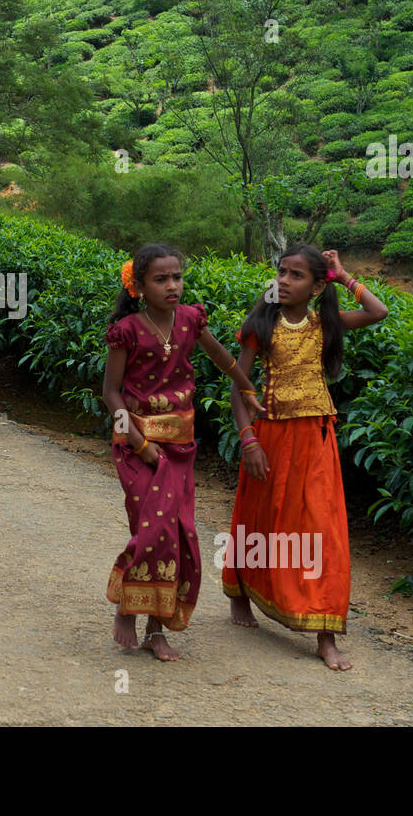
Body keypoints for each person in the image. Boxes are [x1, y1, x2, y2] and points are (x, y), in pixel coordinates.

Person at [223, 245, 388, 671]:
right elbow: (238, 389)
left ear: (317, 287)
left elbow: (377, 311)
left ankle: (325, 633)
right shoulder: (259, 324)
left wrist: (343, 275)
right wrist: (248, 442)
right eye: (281, 272)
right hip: (269, 435)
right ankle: (241, 592)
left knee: (321, 525)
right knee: (259, 514)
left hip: (315, 436)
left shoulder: (325, 324)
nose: (284, 281)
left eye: (297, 275)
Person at [102, 244, 264, 661]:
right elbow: (110, 392)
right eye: (161, 279)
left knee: (179, 536)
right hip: (136, 444)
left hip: (181, 444)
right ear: (138, 286)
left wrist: (247, 388)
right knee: (152, 531)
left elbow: (224, 360)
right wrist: (140, 444)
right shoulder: (127, 330)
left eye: (177, 277)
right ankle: (126, 606)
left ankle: (156, 631)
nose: (173, 286)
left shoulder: (191, 319)